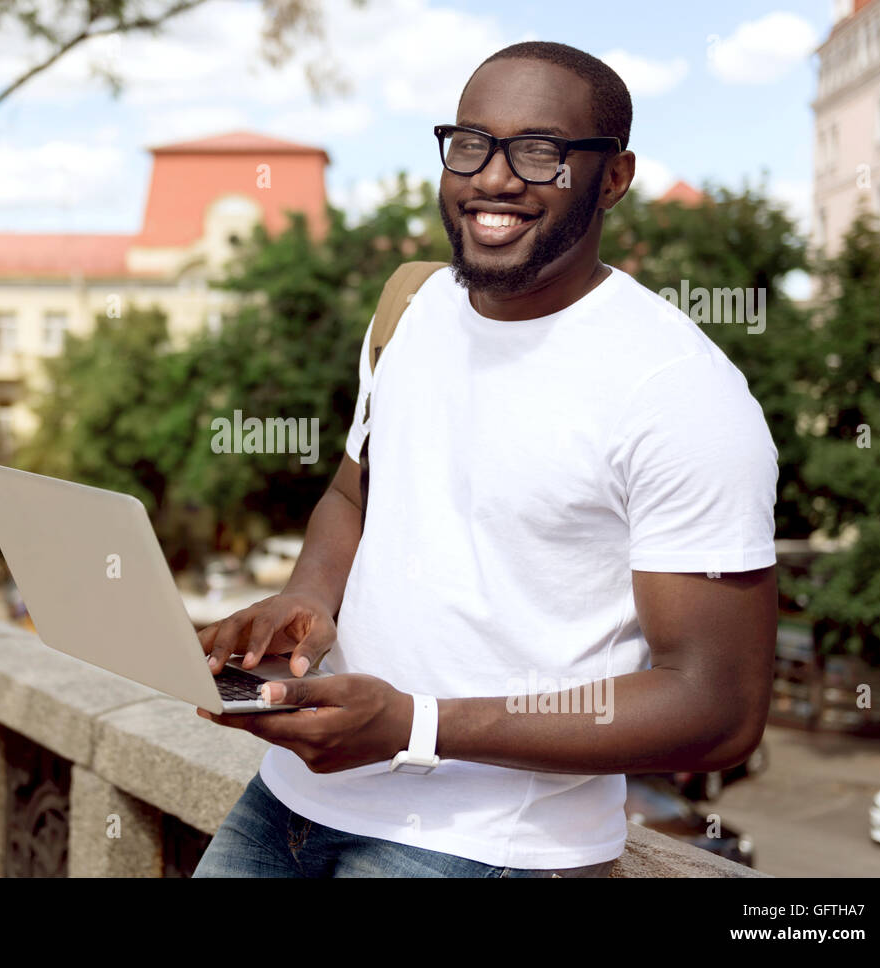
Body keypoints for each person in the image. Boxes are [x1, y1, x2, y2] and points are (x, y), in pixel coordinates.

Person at [190, 41, 779, 878]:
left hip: (488, 851)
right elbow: (355, 495)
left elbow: (717, 707)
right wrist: (308, 598)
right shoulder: (415, 304)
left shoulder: (679, 392)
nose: (493, 178)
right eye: (471, 143)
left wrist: (415, 727)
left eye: (539, 152)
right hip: (288, 803)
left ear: (613, 178)